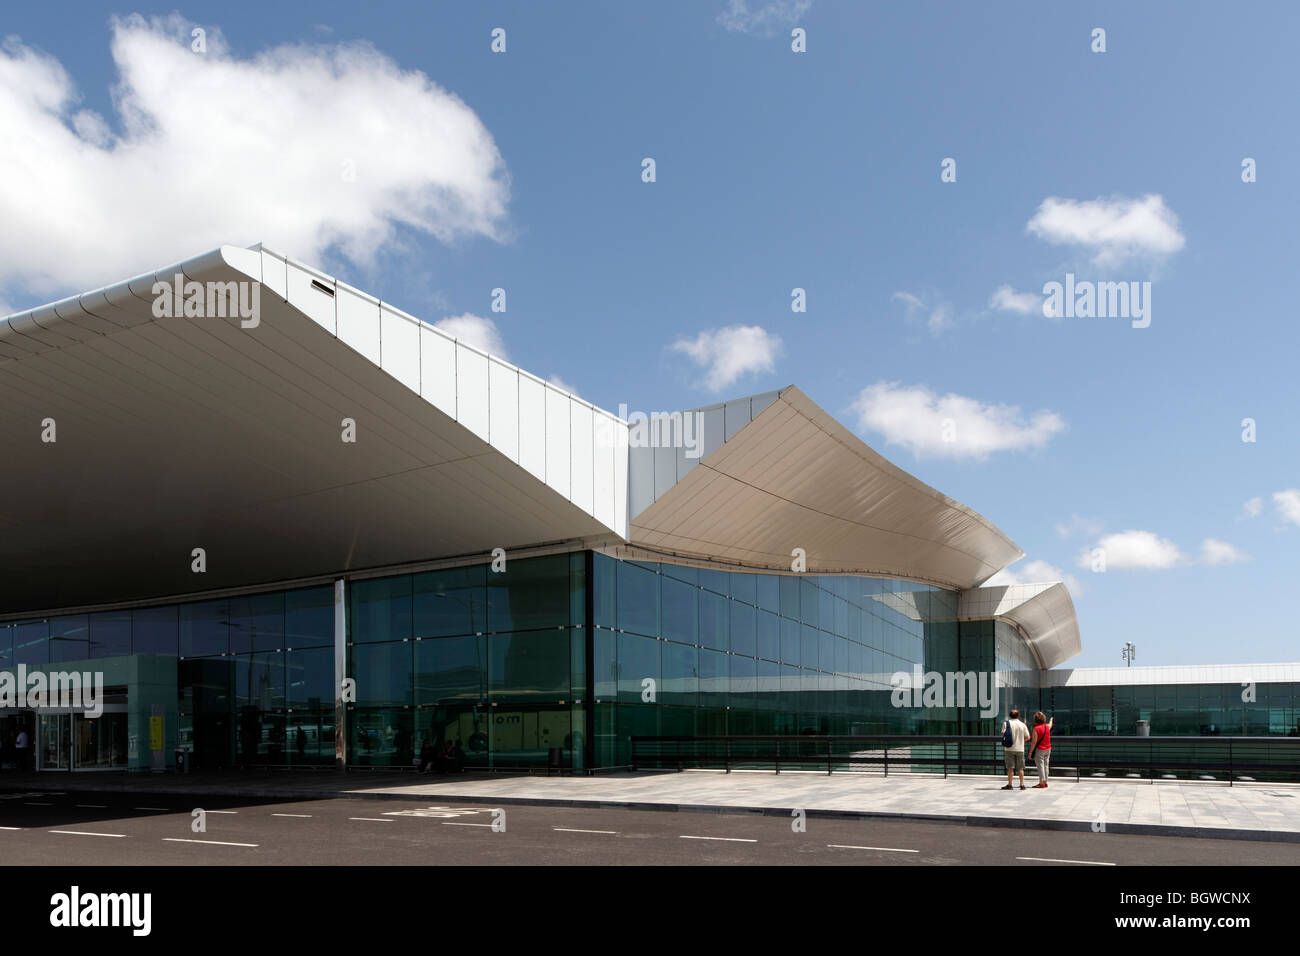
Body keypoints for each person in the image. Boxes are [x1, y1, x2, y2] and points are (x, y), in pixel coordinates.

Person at [1001, 708, 1031, 790]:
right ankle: (1022, 784)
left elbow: (1003, 734)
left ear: (1010, 715)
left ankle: (1010, 784)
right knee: (1020, 768)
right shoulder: (1022, 724)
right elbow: (1028, 737)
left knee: (1010, 768)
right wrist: (1021, 740)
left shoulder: (1006, 723)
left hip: (1009, 748)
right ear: (1018, 716)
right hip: (1020, 748)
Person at [1029, 712, 1053, 788]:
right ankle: (1045, 781)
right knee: (1046, 765)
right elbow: (1050, 725)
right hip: (1048, 748)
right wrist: (1051, 720)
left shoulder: (1036, 729)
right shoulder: (1047, 726)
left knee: (1040, 766)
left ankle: (1041, 783)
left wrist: (1030, 752)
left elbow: (1034, 742)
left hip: (1040, 749)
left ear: (1035, 719)